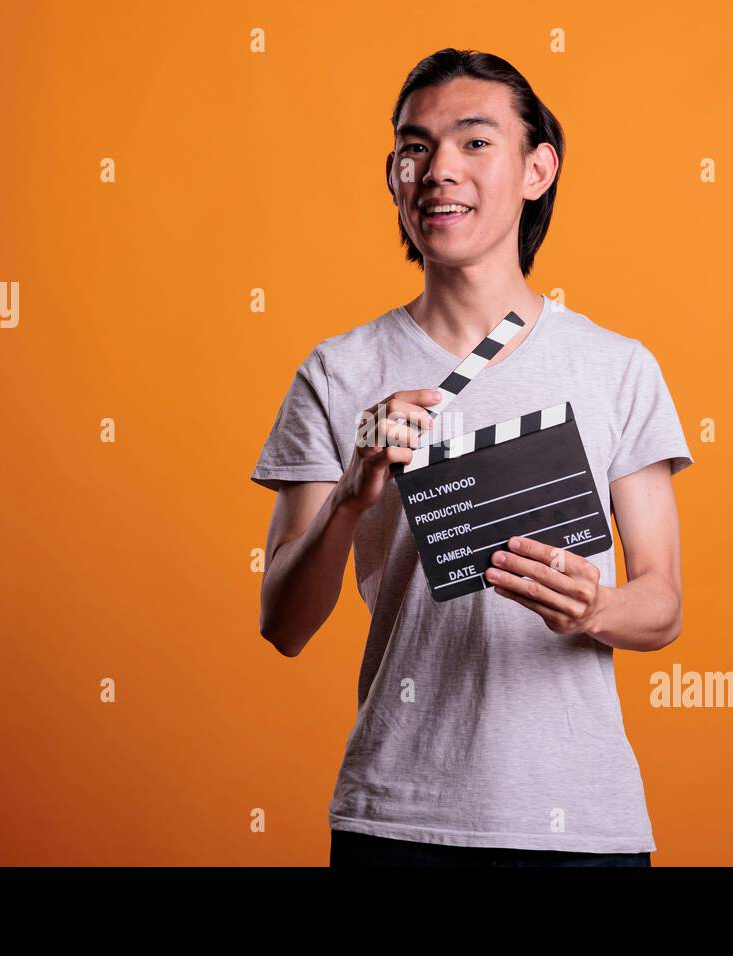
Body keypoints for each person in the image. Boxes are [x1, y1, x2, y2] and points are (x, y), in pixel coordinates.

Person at [250, 48, 694, 867]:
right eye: (414, 148)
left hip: (580, 821)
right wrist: (352, 494)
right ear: (393, 177)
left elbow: (662, 603)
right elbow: (283, 623)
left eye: (473, 142)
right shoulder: (338, 371)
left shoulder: (617, 366)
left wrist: (593, 608)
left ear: (537, 169)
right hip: (397, 817)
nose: (437, 170)